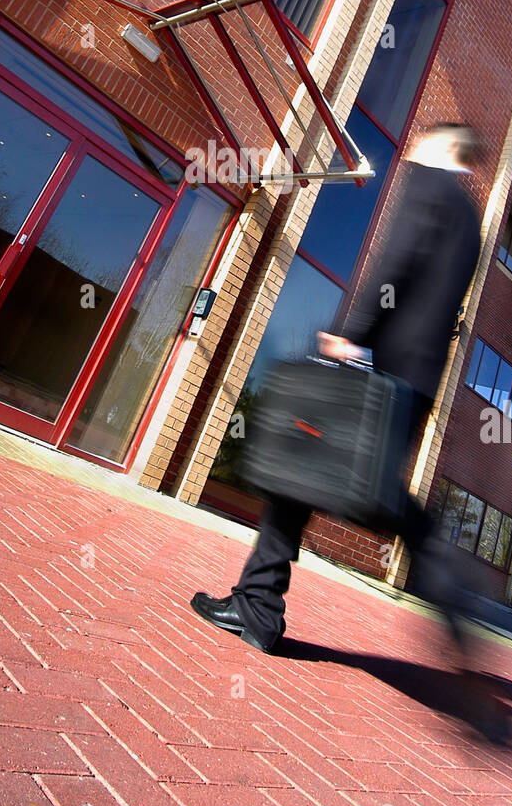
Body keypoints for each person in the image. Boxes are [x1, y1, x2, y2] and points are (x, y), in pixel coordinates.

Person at [191, 123, 483, 654]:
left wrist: (351, 333)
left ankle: (257, 608)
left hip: (380, 371)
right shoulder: (470, 217)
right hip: (415, 380)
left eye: (420, 143)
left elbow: (397, 265)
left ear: (443, 148)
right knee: (359, 489)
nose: (410, 150)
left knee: (299, 469)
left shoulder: (429, 186)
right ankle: (447, 582)